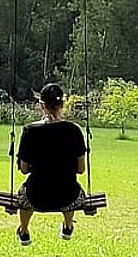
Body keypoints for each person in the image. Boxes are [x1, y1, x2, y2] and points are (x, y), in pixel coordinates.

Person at [14, 82, 88, 245]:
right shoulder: (74, 131)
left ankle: (24, 231)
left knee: (22, 194)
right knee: (76, 191)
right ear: (62, 104)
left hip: (35, 197)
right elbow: (81, 169)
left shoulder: (30, 131)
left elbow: (24, 170)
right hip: (68, 197)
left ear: (41, 105)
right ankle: (68, 226)